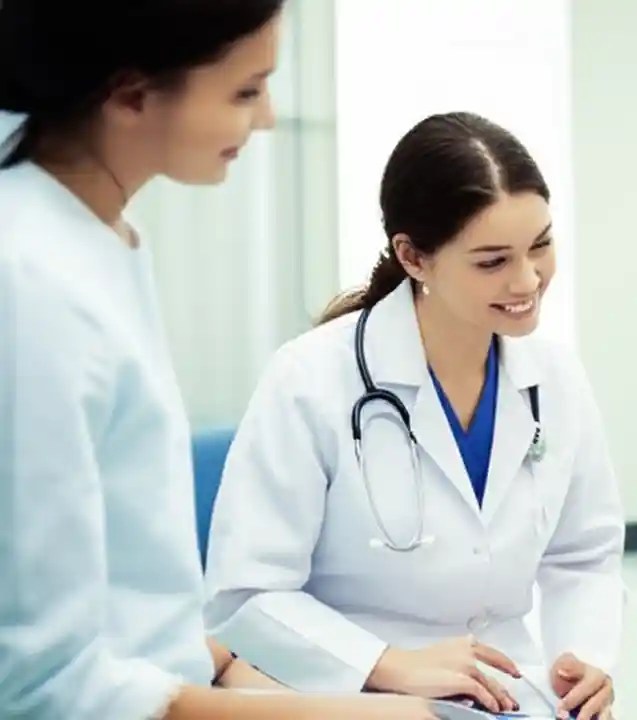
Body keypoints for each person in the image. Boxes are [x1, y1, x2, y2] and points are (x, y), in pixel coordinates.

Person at [0, 1, 435, 717]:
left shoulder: (98, 240)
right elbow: (45, 688)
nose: (266, 119)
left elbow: (133, 605)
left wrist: (373, 673)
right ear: (132, 94)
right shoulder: (31, 282)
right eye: (245, 91)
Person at [203, 111, 626, 720]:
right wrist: (388, 663)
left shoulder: (554, 378)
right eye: (492, 261)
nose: (528, 278)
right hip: (350, 691)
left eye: (541, 245)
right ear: (414, 257)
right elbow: (245, 597)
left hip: (511, 687)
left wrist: (584, 661)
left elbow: (584, 555)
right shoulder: (312, 378)